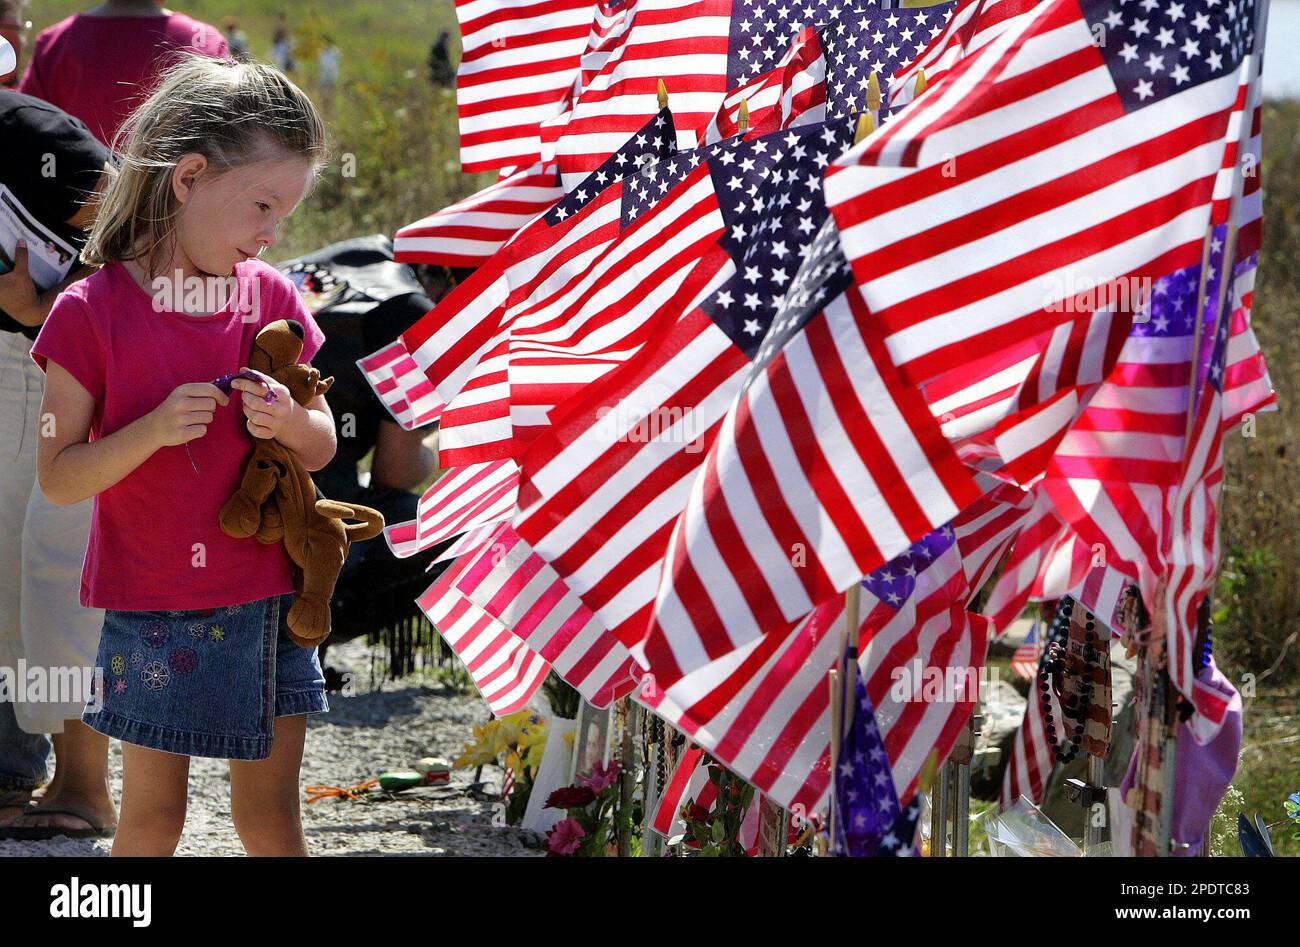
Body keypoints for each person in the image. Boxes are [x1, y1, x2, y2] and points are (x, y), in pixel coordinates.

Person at [30, 56, 334, 857]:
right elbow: (57, 476)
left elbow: (325, 438)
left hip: (273, 601)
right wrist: (150, 432)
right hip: (152, 607)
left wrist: (290, 424)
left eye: (285, 214)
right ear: (188, 176)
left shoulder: (271, 298)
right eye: (262, 205)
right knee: (153, 819)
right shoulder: (89, 313)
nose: (272, 234)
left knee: (271, 819)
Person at [0, 24, 117, 837]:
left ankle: (84, 784)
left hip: (33, 365)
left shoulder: (29, 130)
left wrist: (52, 309)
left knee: (47, 567)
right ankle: (42, 775)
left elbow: (130, 225)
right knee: (18, 579)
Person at [16, 1, 229, 146]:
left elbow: (24, 130)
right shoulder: (204, 42)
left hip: (78, 205)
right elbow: (230, 138)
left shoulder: (57, 42)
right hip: (173, 205)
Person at [316, 36, 339, 110]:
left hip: (331, 79)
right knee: (323, 97)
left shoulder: (334, 51)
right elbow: (320, 65)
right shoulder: (321, 53)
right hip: (323, 78)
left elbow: (334, 66)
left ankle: (330, 112)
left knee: (331, 97)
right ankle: (325, 111)